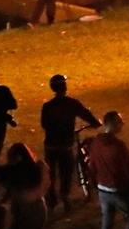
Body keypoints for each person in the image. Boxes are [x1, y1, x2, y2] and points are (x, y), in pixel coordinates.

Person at [39, 73, 100, 210]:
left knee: (51, 172)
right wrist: (96, 123)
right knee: (66, 171)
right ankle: (64, 194)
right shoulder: (72, 103)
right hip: (66, 144)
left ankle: (51, 198)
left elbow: (44, 124)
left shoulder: (48, 106)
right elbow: (86, 114)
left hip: (51, 145)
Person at [91, 111, 129, 229]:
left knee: (107, 220)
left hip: (103, 188)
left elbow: (92, 165)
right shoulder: (118, 146)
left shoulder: (96, 142)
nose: (122, 124)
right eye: (119, 122)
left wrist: (96, 183)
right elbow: (126, 169)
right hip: (119, 189)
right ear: (111, 124)